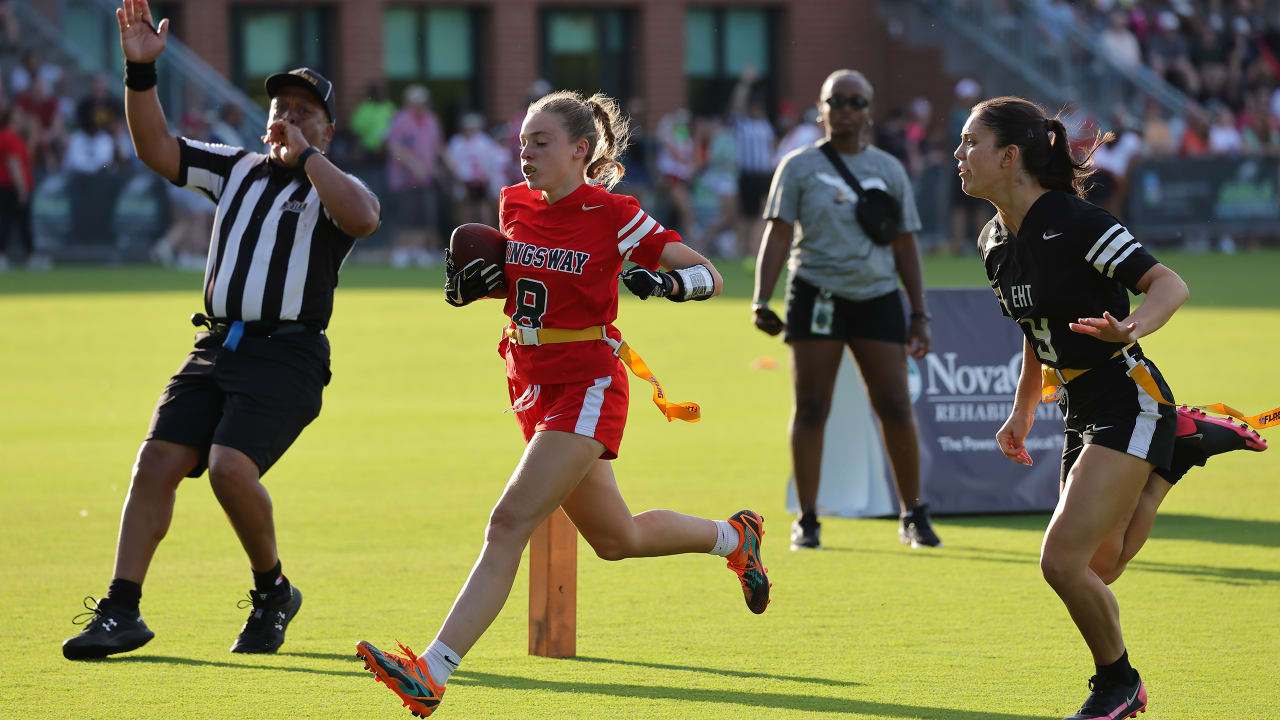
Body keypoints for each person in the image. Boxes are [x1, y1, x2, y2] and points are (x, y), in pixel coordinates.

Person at [355, 89, 770, 718]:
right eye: (522, 141)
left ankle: (432, 672)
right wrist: (475, 286)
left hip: (588, 383)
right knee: (617, 538)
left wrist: (664, 282)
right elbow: (519, 290)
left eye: (540, 142)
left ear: (581, 150)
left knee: (507, 523)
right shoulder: (513, 204)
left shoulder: (613, 213)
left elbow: (710, 274)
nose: (525, 153)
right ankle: (733, 539)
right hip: (530, 383)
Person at [62, 0, 380, 661]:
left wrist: (311, 158)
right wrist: (140, 71)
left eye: (303, 111)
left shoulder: (326, 185)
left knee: (231, 466)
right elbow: (156, 148)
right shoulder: (235, 167)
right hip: (218, 344)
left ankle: (272, 590)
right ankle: (122, 610)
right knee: (156, 461)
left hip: (287, 354)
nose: (287, 119)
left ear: (326, 127)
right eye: (280, 110)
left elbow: (366, 217)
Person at [954, 95, 1267, 720]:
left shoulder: (1074, 221)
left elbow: (1168, 284)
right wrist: (1022, 411)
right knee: (1098, 565)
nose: (958, 155)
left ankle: (1118, 685)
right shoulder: (993, 239)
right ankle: (1176, 455)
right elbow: (1034, 329)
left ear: (1010, 156)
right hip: (1079, 402)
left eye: (970, 143)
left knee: (1062, 562)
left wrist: (1132, 326)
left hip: (1129, 395)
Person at [752, 69, 938, 551]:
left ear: (870, 110)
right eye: (838, 101)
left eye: (857, 101)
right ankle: (808, 518)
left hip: (877, 296)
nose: (847, 110)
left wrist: (919, 312)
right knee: (812, 407)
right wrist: (761, 297)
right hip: (817, 295)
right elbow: (777, 233)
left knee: (895, 406)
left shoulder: (890, 169)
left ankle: (913, 513)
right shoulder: (798, 166)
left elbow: (905, 243)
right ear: (822, 108)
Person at [386, 84, 444, 268]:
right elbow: (394, 147)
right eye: (417, 102)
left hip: (425, 178)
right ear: (409, 102)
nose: (421, 105)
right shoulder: (400, 120)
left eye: (423, 101)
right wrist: (413, 164)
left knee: (422, 215)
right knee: (405, 215)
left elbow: (437, 145)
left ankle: (419, 251)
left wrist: (442, 167)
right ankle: (402, 251)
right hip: (403, 180)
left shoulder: (432, 120)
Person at [0, 101, 33, 270]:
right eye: (19, 115)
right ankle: (6, 256)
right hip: (10, 187)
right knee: (10, 222)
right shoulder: (8, 137)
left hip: (11, 186)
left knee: (17, 222)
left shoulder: (16, 138)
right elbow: (14, 164)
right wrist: (22, 189)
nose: (22, 118)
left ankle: (27, 255)